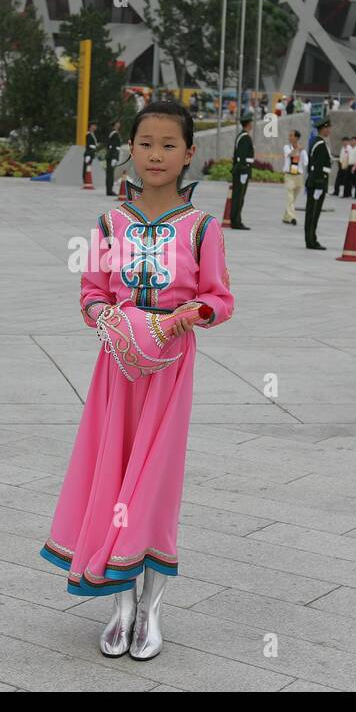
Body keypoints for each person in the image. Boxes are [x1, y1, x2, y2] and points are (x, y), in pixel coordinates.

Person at [40, 99, 234, 660]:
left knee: (155, 480)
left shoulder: (202, 227)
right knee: (112, 470)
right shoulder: (110, 223)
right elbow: (92, 292)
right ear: (130, 146)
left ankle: (151, 606)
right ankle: (119, 603)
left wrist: (184, 317)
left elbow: (220, 300)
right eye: (146, 142)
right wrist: (110, 319)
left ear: (189, 153)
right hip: (118, 367)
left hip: (172, 369)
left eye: (169, 144)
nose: (156, 154)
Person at [304, 118, 333, 250]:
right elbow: (318, 167)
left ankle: (310, 239)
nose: (329, 130)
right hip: (318, 183)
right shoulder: (320, 144)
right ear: (324, 128)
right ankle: (311, 240)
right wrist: (320, 184)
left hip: (315, 181)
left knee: (312, 212)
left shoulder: (317, 142)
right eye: (328, 127)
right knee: (313, 213)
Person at [229, 114, 254, 230]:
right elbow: (242, 156)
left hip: (241, 171)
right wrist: (244, 170)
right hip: (242, 172)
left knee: (238, 196)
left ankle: (236, 219)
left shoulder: (242, 136)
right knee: (238, 197)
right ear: (248, 124)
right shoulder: (245, 137)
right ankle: (235, 221)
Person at [281, 128, 305, 226]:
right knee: (290, 197)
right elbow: (290, 155)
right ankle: (292, 217)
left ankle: (286, 217)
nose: (289, 137)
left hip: (298, 175)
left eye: (291, 135)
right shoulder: (287, 147)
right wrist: (298, 149)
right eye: (289, 135)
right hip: (289, 175)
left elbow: (305, 161)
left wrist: (302, 154)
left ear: (296, 138)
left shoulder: (302, 150)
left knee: (293, 198)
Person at [104, 119, 123, 196]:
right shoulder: (114, 134)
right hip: (112, 156)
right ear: (114, 125)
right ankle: (109, 191)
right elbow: (114, 146)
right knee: (110, 174)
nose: (119, 124)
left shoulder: (115, 133)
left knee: (110, 173)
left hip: (112, 155)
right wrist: (114, 157)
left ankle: (109, 190)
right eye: (117, 123)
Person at [83, 119, 99, 187]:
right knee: (86, 167)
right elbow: (88, 145)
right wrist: (88, 154)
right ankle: (85, 181)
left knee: (88, 167)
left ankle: (87, 181)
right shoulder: (89, 134)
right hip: (89, 153)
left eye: (96, 126)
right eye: (94, 126)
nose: (95, 127)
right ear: (91, 126)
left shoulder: (92, 134)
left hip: (91, 153)